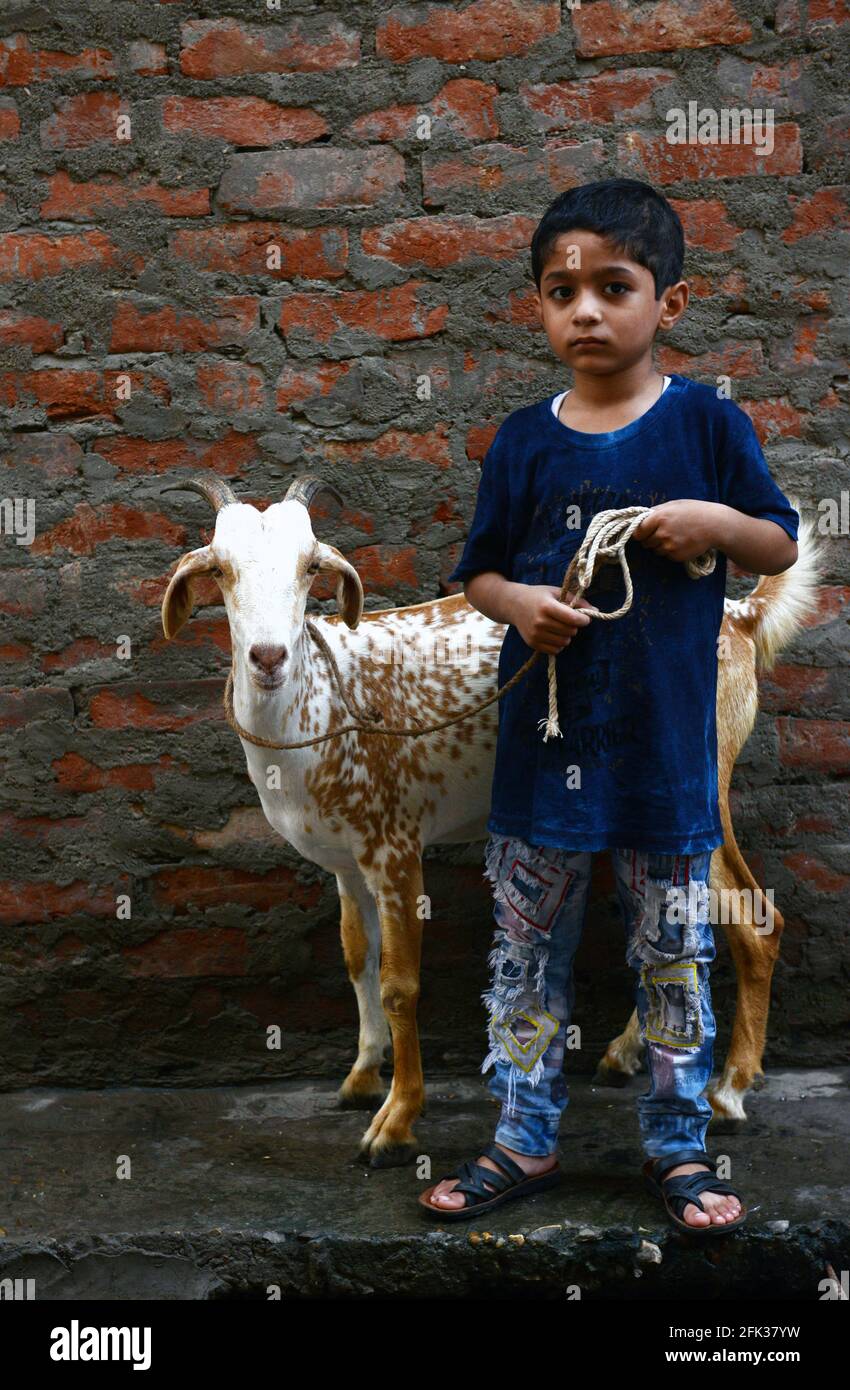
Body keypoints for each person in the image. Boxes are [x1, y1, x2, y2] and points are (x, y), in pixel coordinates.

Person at [419, 178, 799, 1233]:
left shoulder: (707, 423)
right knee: (524, 952)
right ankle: (523, 1136)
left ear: (668, 304)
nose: (583, 310)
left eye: (611, 286)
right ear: (537, 308)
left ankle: (678, 1150)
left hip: (666, 754)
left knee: (673, 951)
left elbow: (778, 542)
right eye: (558, 290)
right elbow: (479, 575)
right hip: (543, 758)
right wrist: (520, 606)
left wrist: (710, 521)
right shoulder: (524, 440)